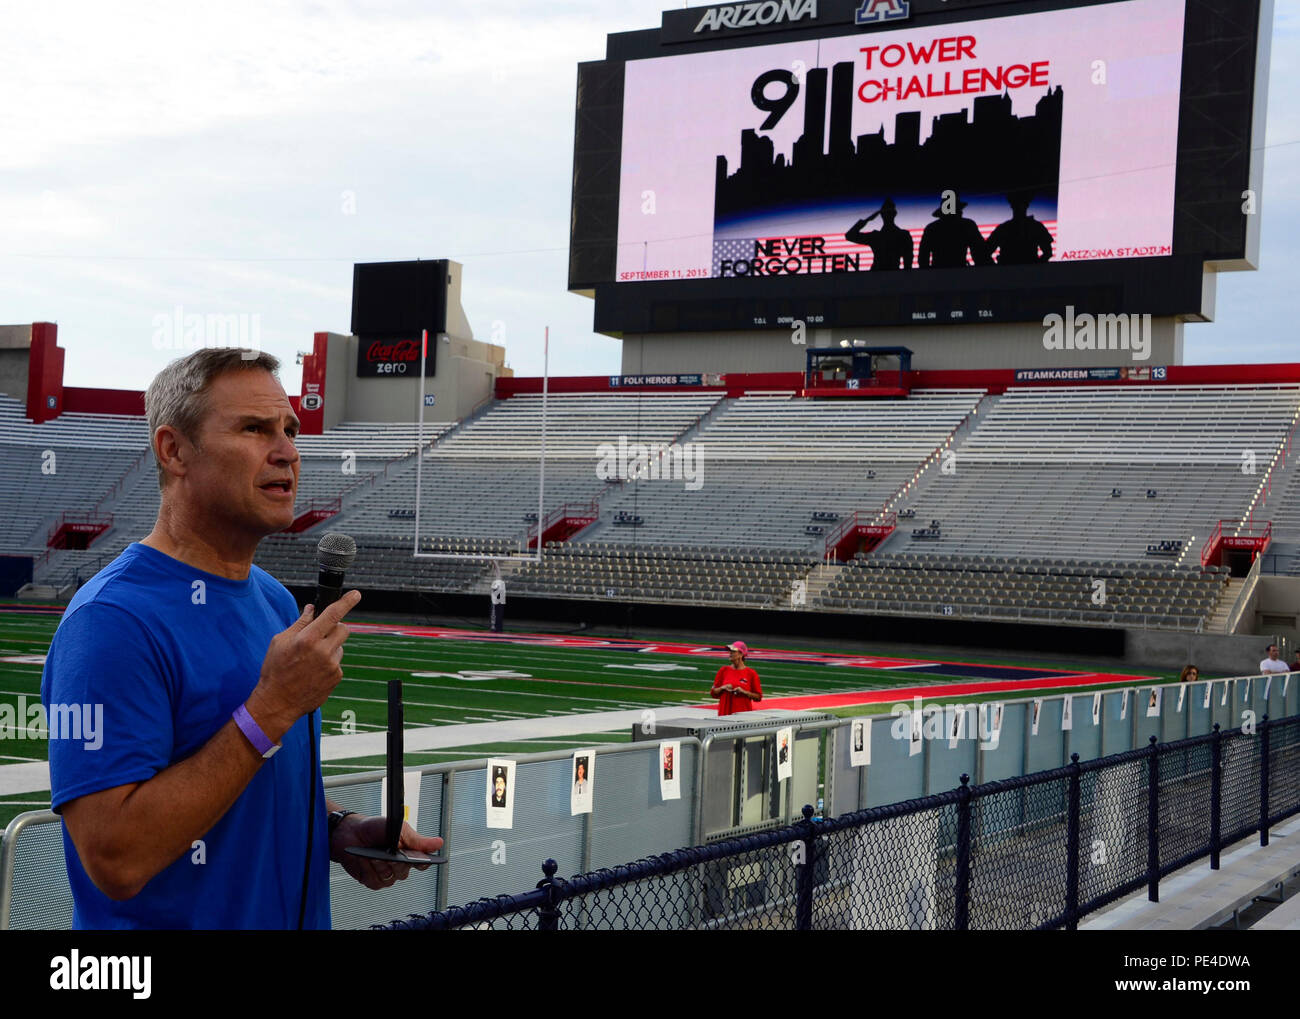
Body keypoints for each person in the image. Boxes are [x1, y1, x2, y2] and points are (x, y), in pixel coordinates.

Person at [40, 347, 440, 930]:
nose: (286, 452)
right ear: (173, 450)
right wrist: (269, 708)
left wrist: (337, 829)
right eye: (254, 429)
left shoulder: (275, 601)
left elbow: (252, 775)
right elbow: (116, 859)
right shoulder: (112, 621)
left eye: (289, 430)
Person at [844, 197, 913, 271]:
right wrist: (868, 219)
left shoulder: (877, 236)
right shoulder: (902, 235)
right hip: (886, 275)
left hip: (882, 275)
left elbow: (908, 262)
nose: (887, 215)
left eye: (889, 213)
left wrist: (868, 219)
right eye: (886, 213)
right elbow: (849, 236)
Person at [710, 641, 762, 716]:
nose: (730, 653)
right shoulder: (724, 670)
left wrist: (744, 692)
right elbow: (713, 693)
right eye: (730, 651)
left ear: (741, 654)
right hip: (724, 715)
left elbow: (758, 697)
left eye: (733, 651)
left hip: (743, 716)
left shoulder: (751, 673)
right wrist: (723, 688)